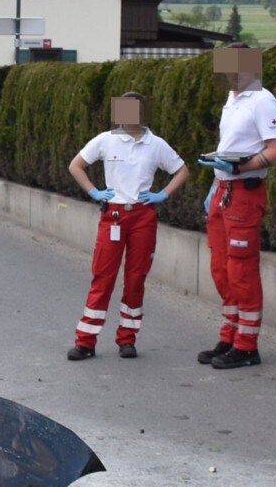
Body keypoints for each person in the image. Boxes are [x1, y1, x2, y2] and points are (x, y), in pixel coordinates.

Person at [67, 92, 190, 360]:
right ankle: (85, 341)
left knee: (136, 279)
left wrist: (163, 194)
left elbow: (182, 170)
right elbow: (76, 166)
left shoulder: (156, 144)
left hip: (143, 216)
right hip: (113, 216)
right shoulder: (105, 140)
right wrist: (94, 192)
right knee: (103, 277)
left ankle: (127, 338)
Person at [196, 46, 276, 369]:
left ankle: (247, 345)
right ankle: (229, 335)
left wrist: (243, 167)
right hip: (224, 190)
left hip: (244, 192)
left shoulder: (263, 101)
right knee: (222, 269)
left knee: (241, 269)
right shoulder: (233, 99)